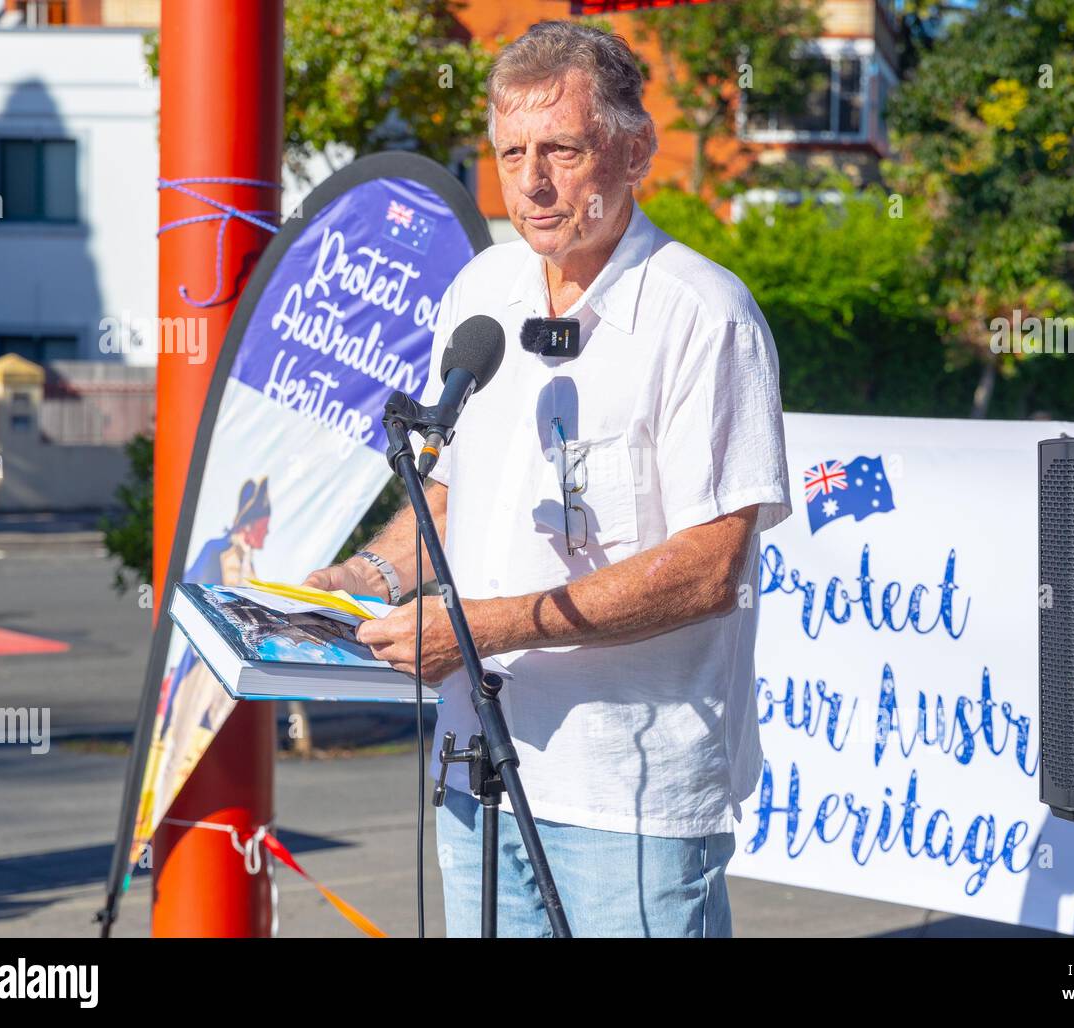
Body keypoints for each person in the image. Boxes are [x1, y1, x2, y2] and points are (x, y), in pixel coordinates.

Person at [305, 20, 790, 938]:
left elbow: (710, 569)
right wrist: (363, 579)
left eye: (561, 150)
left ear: (634, 151)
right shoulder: (481, 292)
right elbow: (456, 496)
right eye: (510, 152)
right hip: (474, 776)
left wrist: (481, 630)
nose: (531, 182)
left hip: (626, 800)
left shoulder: (704, 315)